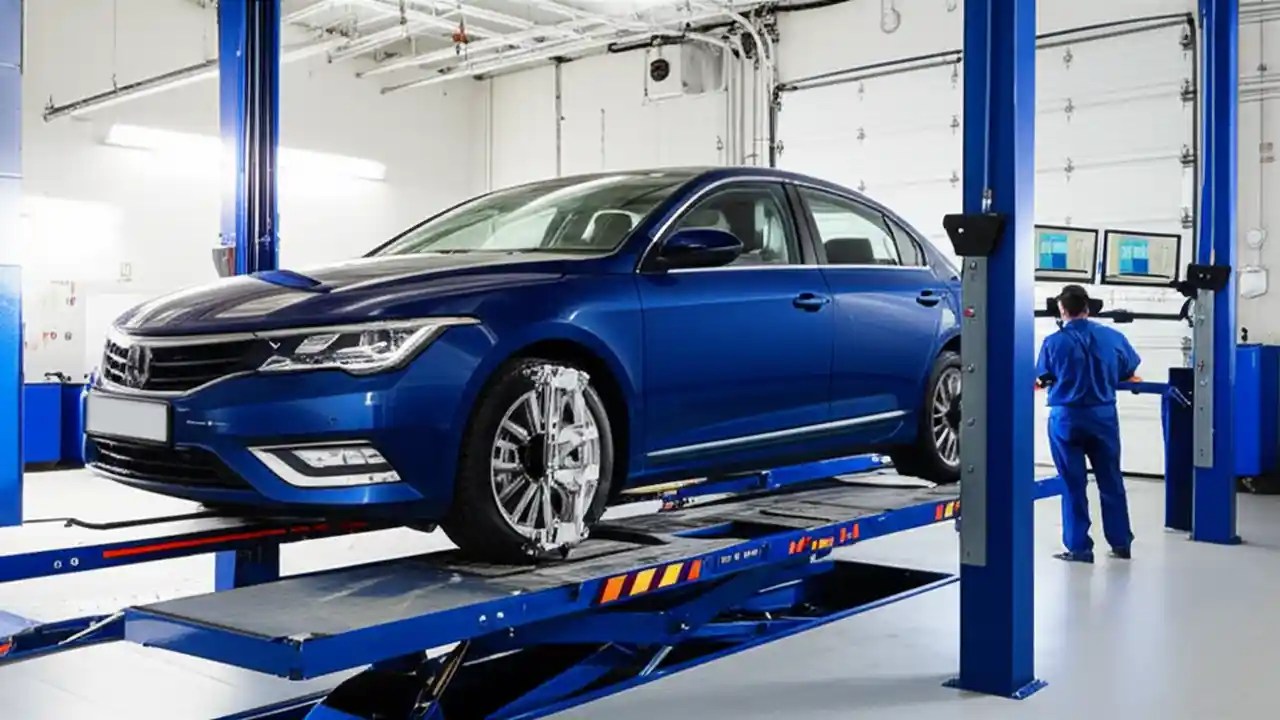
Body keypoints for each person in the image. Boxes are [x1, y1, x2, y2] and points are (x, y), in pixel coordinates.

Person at [1035, 285, 1142, 563]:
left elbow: (1041, 379)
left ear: (1061, 309)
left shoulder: (1052, 342)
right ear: (1089, 307)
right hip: (1103, 418)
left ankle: (1079, 548)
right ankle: (1121, 543)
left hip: (1066, 419)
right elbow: (1129, 371)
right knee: (1111, 480)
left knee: (1072, 484)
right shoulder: (1114, 337)